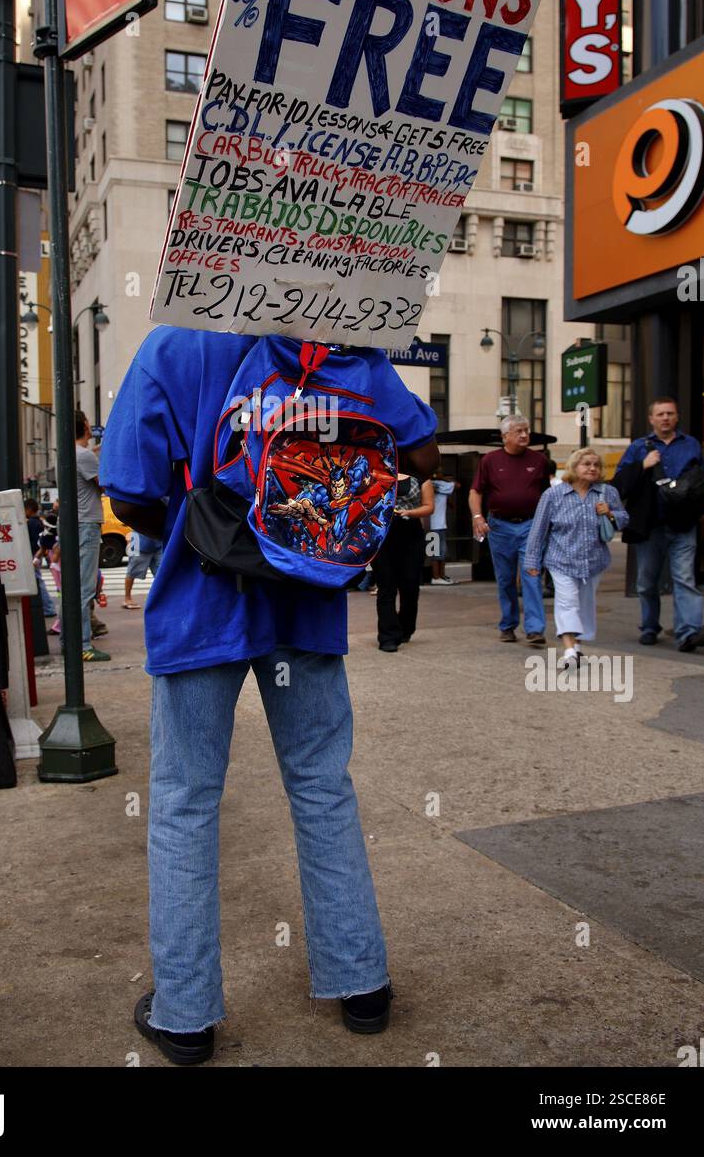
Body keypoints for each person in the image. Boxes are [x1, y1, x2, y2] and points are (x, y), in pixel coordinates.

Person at [100, 327, 438, 1064]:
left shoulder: (174, 345)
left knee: (185, 801)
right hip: (305, 596)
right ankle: (361, 984)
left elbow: (127, 485)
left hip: (202, 603)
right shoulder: (340, 343)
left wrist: (201, 523)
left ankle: (186, 1016)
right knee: (322, 787)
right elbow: (420, 455)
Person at [613, 397, 704, 653]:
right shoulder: (638, 447)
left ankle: (688, 633)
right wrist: (643, 465)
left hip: (683, 525)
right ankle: (649, 627)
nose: (665, 418)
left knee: (685, 578)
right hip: (651, 525)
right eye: (660, 414)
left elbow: (703, 483)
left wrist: (700, 512)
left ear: (677, 417)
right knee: (646, 582)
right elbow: (619, 484)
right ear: (651, 419)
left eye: (670, 413)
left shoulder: (690, 445)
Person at [524, 449, 628, 667]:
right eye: (586, 464)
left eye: (596, 465)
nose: (592, 468)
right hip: (560, 560)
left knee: (584, 604)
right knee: (567, 602)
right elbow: (538, 530)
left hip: (594, 561)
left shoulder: (607, 492)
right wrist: (532, 561)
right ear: (573, 467)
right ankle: (569, 650)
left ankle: (577, 647)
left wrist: (609, 512)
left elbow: (624, 520)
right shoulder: (553, 495)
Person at [469, 415, 550, 645]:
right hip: (500, 527)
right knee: (505, 579)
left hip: (531, 526)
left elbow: (546, 494)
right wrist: (477, 517)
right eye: (518, 431)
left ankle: (535, 629)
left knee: (531, 576)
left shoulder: (540, 460)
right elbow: (475, 492)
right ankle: (508, 624)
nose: (524, 435)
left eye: (526, 430)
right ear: (505, 436)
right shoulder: (489, 460)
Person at [372, 472, 434, 651]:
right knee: (386, 585)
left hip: (410, 532)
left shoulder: (421, 477)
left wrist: (409, 512)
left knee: (410, 584)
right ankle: (387, 636)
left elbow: (429, 506)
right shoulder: (378, 473)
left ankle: (406, 627)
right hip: (382, 534)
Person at [72, 412, 110, 663]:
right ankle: (84, 644)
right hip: (86, 523)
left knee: (73, 586)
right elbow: (103, 483)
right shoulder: (84, 456)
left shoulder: (71, 453)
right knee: (85, 588)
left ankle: (72, 641)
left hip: (75, 522)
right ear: (85, 426)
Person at [25, 498, 57, 621]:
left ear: (28, 510)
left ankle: (48, 607)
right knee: (38, 579)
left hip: (33, 554)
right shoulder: (39, 522)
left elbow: (35, 542)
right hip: (37, 553)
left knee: (38, 580)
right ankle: (48, 607)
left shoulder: (30, 524)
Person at [427, 468, 456, 584]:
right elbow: (456, 485)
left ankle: (441, 575)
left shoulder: (432, 485)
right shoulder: (438, 484)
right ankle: (436, 577)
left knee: (441, 552)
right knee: (436, 552)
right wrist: (441, 478)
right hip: (434, 524)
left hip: (437, 524)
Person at [123, 530, 163, 609]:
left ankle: (161, 597)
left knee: (161, 573)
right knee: (131, 572)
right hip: (137, 541)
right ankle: (127, 598)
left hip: (158, 541)